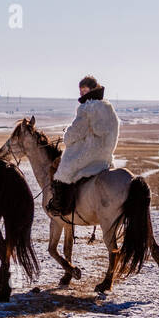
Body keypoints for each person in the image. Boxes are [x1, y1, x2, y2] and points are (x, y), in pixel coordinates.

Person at [47, 76, 120, 217]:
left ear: (92, 89)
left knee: (63, 170)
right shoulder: (108, 107)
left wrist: (67, 136)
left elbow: (76, 131)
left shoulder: (87, 107)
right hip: (105, 155)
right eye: (80, 91)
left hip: (89, 153)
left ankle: (60, 205)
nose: (82, 94)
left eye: (84, 90)